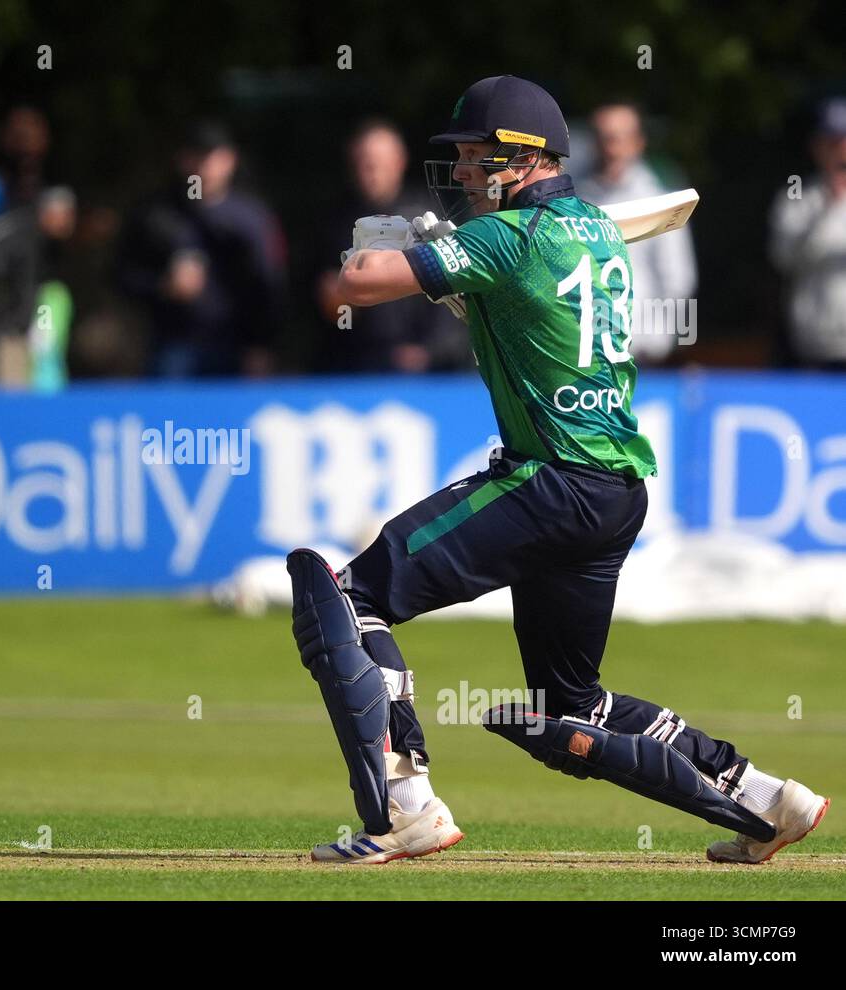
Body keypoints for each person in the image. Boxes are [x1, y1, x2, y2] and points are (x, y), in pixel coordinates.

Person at [288, 76, 829, 866]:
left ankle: (406, 807)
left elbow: (357, 284)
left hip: (550, 479)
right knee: (571, 707)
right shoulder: (594, 233)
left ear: (523, 157)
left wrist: (393, 241)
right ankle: (766, 795)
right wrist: (459, 278)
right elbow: (523, 306)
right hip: (615, 492)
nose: (466, 173)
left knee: (350, 597)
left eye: (477, 158)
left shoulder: (508, 239)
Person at [117, 122, 287, 377]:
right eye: (196, 157)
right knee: (171, 416)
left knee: (229, 417)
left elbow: (270, 285)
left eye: (212, 157)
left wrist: (261, 345)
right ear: (182, 160)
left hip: (236, 347)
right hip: (172, 346)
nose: (203, 167)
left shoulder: (252, 218)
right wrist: (163, 286)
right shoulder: (155, 215)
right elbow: (122, 275)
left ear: (230, 160)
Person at [314, 120, 470, 373]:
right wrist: (338, 304)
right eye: (362, 164)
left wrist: (429, 351)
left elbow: (456, 283)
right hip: (357, 364)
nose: (370, 172)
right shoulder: (338, 222)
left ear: (399, 162)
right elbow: (333, 301)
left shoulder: (429, 216)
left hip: (429, 368)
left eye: (377, 164)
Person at [579, 103, 696, 364]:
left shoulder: (660, 199)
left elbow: (677, 278)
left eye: (617, 138)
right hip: (586, 352)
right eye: (602, 138)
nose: (610, 148)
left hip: (642, 353)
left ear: (637, 142)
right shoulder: (578, 199)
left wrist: (656, 339)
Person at [768, 96, 846, 369]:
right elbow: (784, 259)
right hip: (816, 346)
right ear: (817, 148)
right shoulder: (797, 198)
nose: (840, 151)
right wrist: (828, 207)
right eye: (832, 143)